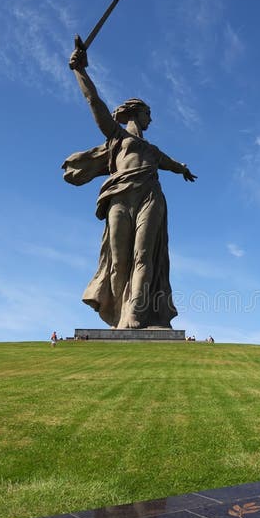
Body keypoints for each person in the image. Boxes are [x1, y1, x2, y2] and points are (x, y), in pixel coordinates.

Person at [63, 43, 197, 329]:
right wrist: (80, 71)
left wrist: (182, 168)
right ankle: (119, 315)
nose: (151, 119)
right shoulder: (118, 137)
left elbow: (171, 163)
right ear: (137, 113)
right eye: (148, 114)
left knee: (144, 256)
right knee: (118, 261)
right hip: (120, 197)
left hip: (150, 197)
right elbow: (94, 103)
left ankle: (135, 314)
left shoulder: (153, 150)